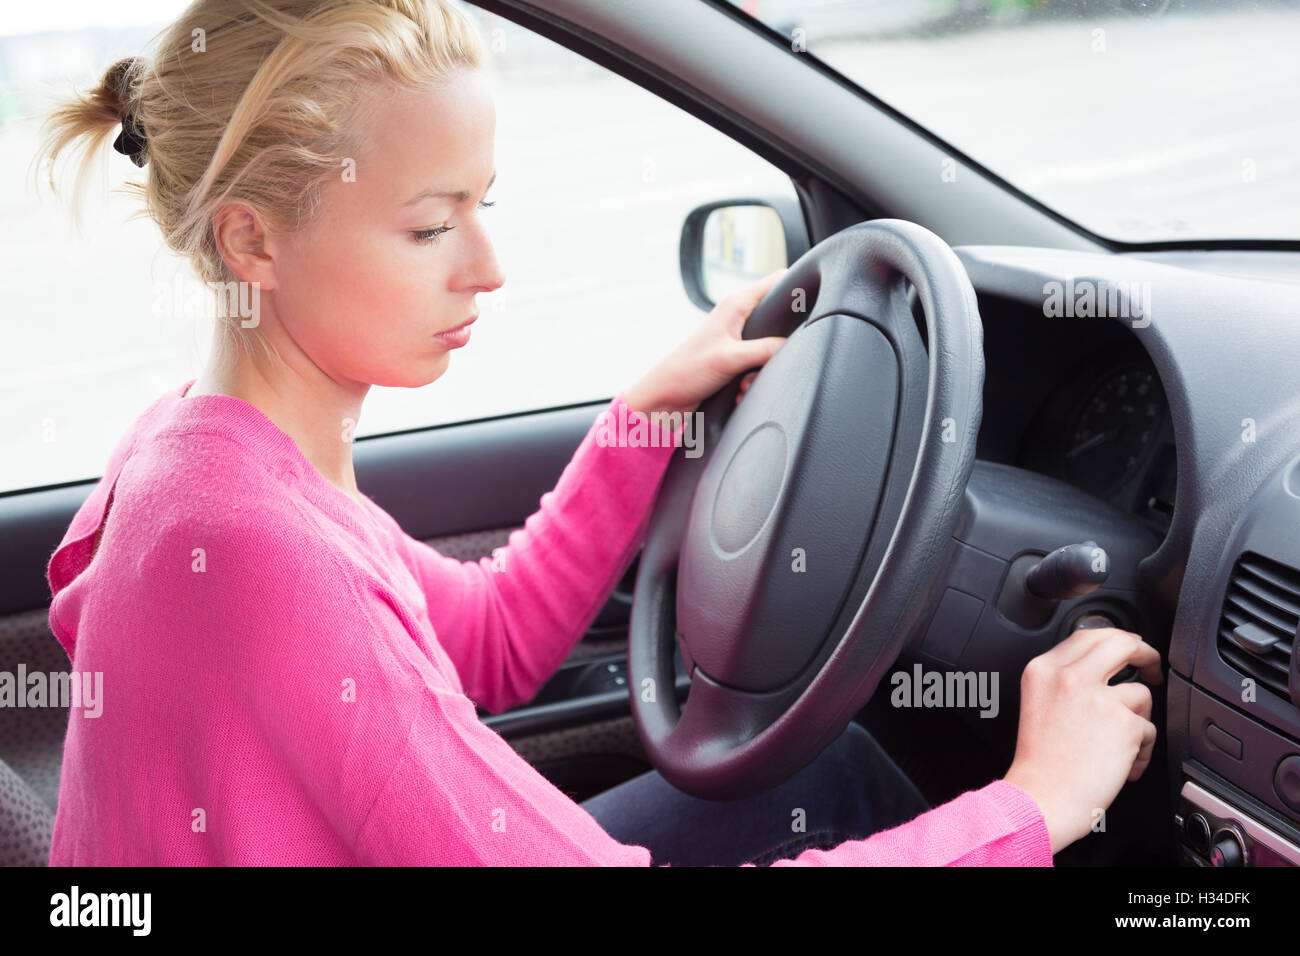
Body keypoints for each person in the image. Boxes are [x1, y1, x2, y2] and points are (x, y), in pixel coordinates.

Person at [35, 0, 1160, 866]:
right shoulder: (253, 554)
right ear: (252, 241)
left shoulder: (198, 456)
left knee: (844, 770)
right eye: (430, 224)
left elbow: (485, 641)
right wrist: (1033, 804)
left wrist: (644, 417)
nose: (487, 266)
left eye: (485, 203)